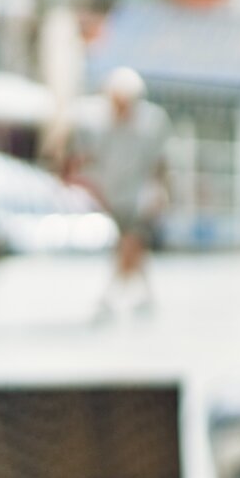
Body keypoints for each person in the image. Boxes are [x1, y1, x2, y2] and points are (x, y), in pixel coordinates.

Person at [69, 66, 170, 321]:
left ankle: (110, 294)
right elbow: (86, 157)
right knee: (131, 245)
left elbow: (160, 163)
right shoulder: (96, 122)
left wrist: (160, 191)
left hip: (138, 195)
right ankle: (145, 294)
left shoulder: (151, 123)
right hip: (110, 194)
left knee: (131, 242)